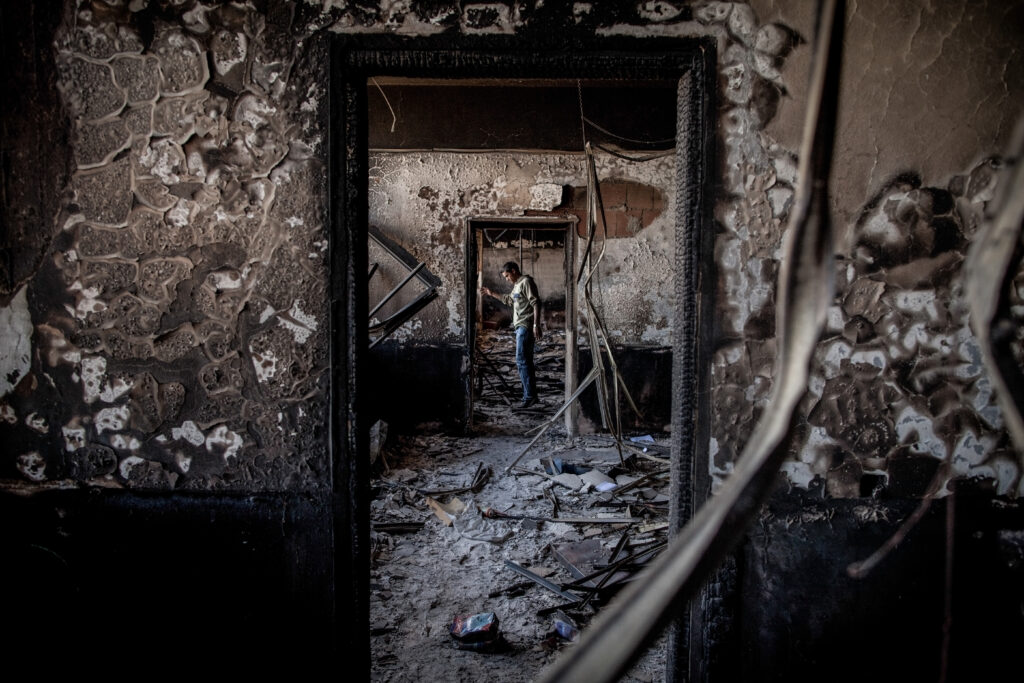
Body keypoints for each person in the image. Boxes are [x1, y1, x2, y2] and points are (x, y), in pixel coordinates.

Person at [481, 261, 542, 409]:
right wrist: (491, 293)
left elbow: (536, 303)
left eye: (507, 276)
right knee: (525, 361)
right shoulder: (517, 285)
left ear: (513, 271)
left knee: (522, 361)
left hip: (525, 327)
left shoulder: (526, 282)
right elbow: (508, 300)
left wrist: (536, 324)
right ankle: (531, 396)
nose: (507, 279)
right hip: (520, 327)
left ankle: (529, 397)